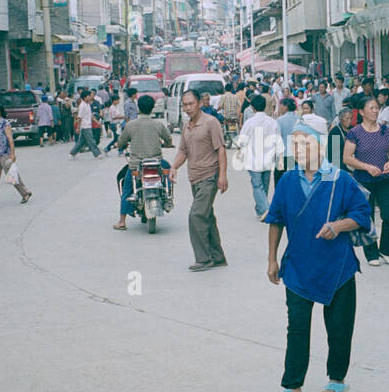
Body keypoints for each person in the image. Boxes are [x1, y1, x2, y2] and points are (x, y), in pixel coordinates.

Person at [266, 115, 372, 392]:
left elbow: (362, 215)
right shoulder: (287, 180)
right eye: (295, 143)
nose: (298, 149)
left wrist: (338, 226)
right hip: (298, 267)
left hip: (338, 267)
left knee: (339, 327)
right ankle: (293, 386)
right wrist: (272, 259)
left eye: (305, 143)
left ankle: (337, 378)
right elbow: (275, 220)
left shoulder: (340, 179)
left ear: (322, 145)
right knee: (297, 328)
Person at [171, 89, 228, 271]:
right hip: (194, 178)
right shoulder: (187, 126)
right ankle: (218, 256)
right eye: (185, 105)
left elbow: (221, 150)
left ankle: (203, 258)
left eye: (191, 104)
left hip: (209, 176)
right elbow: (183, 151)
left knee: (196, 215)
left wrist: (222, 175)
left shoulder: (211, 122)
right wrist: (174, 167)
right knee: (207, 216)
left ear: (200, 104)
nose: (188, 108)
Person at [342, 95, 389, 266]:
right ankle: (371, 253)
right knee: (367, 216)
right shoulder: (355, 133)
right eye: (371, 108)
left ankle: (386, 249)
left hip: (384, 179)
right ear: (362, 112)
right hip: (363, 181)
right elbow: (347, 158)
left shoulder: (385, 131)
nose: (375, 111)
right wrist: (366, 167)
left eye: (376, 108)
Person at [112, 95, 174, 230]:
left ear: (138, 108)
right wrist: (167, 144)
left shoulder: (131, 125)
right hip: (156, 163)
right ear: (152, 108)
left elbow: (121, 142)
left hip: (136, 165)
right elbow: (168, 139)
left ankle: (122, 221)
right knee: (168, 169)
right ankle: (168, 193)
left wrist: (119, 145)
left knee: (127, 188)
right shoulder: (158, 124)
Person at [237, 94, 284, 220]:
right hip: (268, 159)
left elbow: (242, 141)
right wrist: (279, 156)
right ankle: (260, 209)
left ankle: (266, 210)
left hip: (253, 160)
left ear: (252, 107)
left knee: (257, 186)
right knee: (264, 185)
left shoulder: (249, 123)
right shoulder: (273, 122)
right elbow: (278, 141)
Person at [0, 104, 31, 206]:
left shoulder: (5, 124)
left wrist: (13, 154)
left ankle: (25, 193)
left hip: (4, 154)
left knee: (12, 176)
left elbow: (10, 140)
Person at [70, 90, 102, 158]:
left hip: (88, 125)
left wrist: (97, 122)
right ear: (85, 97)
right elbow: (79, 118)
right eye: (89, 96)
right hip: (85, 126)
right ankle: (97, 154)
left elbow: (91, 115)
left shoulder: (87, 104)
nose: (90, 97)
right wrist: (78, 128)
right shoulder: (82, 106)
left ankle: (72, 153)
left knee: (81, 142)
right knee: (91, 141)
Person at [275, 98, 299, 188]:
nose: (279, 108)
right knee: (294, 182)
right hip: (297, 155)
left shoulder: (280, 120)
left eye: (280, 106)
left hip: (283, 155)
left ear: (286, 106)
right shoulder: (300, 119)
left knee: (279, 182)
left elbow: (277, 138)